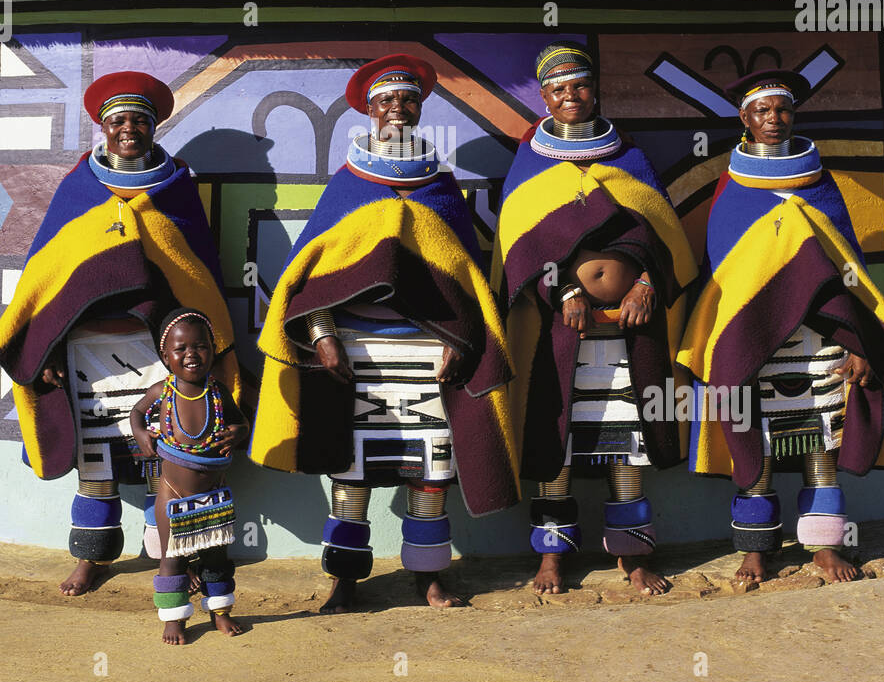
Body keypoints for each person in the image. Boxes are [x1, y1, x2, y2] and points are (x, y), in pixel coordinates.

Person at [250, 53, 520, 612]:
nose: (396, 110)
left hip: (427, 353)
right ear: (369, 112)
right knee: (350, 477)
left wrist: (458, 339)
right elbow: (311, 274)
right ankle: (345, 579)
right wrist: (322, 335)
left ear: (420, 110)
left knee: (431, 471)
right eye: (385, 102)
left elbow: (464, 277)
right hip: (353, 350)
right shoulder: (348, 186)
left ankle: (429, 576)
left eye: (407, 101)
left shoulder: (442, 189)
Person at [0, 72, 238, 595]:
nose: (129, 129)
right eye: (118, 121)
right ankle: (94, 557)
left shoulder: (176, 188)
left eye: (139, 120)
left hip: (158, 351)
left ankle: (171, 556)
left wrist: (201, 346)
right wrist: (49, 343)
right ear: (104, 128)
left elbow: (198, 272)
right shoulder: (79, 188)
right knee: (95, 460)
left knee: (164, 460)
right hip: (85, 352)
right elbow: (47, 275)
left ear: (153, 126)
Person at [678, 69, 884, 585]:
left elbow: (848, 271)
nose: (774, 119)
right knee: (755, 447)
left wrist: (857, 341)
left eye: (783, 109)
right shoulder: (733, 189)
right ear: (744, 118)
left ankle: (826, 546)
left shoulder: (823, 185)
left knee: (821, 445)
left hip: (822, 340)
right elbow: (725, 274)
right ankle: (755, 550)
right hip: (754, 341)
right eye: (762, 110)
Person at [492, 44, 697, 597]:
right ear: (544, 97)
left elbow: (662, 235)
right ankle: (553, 558)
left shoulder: (629, 156)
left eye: (579, 86)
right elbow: (519, 249)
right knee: (552, 442)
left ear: (594, 88)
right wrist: (561, 289)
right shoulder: (530, 161)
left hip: (631, 330)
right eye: (558, 90)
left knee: (627, 443)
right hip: (558, 331)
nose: (570, 97)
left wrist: (649, 283)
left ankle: (633, 557)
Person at [129, 309, 248, 643]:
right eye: (181, 349)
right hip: (172, 496)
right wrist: (141, 434)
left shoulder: (218, 392)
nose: (191, 354)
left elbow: (241, 422)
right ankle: (174, 619)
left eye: (201, 346)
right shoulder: (162, 392)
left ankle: (220, 613)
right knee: (172, 560)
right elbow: (137, 412)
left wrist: (237, 433)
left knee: (217, 559)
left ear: (211, 349)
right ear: (166, 357)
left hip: (213, 494)